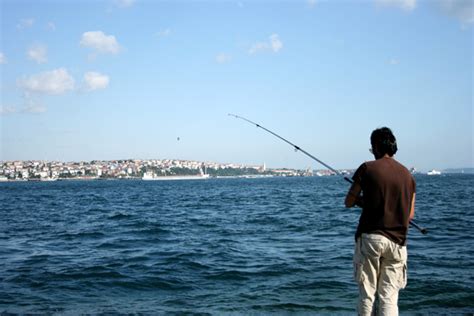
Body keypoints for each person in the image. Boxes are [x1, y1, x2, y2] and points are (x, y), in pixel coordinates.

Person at [345, 127, 416, 316]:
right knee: (389, 297)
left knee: (367, 293)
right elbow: (409, 216)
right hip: (398, 243)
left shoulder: (367, 168)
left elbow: (348, 202)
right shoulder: (408, 176)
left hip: (371, 238)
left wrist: (363, 202)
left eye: (371, 148)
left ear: (376, 147)